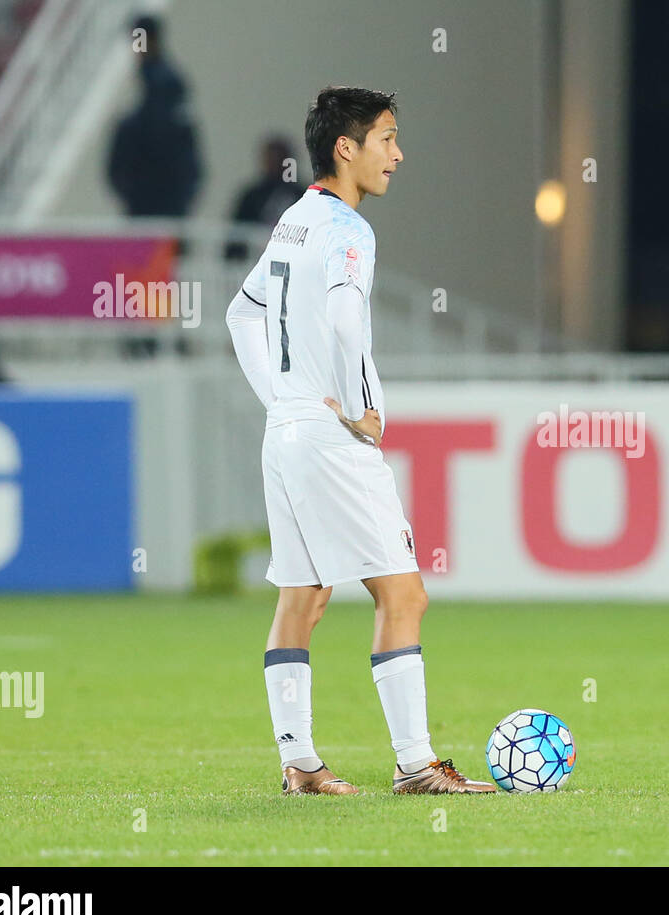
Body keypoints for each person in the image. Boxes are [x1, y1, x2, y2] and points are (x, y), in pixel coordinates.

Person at [225, 86, 495, 796]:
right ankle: (415, 766)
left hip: (285, 433)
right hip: (329, 441)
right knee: (404, 596)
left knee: (303, 596)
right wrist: (361, 409)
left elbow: (239, 313)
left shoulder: (293, 222)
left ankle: (302, 765)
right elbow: (345, 322)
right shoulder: (349, 229)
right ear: (346, 148)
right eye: (387, 138)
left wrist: (279, 399)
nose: (398, 155)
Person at [106, 15, 201, 217]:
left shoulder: (164, 81)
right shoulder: (150, 76)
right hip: (152, 198)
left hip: (162, 198)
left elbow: (169, 136)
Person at [224, 136, 305, 260]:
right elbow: (236, 233)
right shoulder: (252, 196)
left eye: (279, 159)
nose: (274, 163)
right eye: (270, 159)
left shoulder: (302, 195)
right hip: (253, 262)